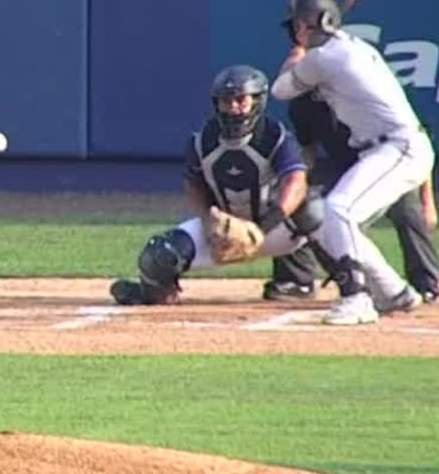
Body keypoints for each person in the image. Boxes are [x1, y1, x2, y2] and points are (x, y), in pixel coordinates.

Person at [270, 0, 431, 326]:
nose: (294, 31)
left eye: (297, 26)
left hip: (399, 147)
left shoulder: (325, 58)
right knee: (331, 220)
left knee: (337, 208)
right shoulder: (352, 47)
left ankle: (356, 297)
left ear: (305, 25)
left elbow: (280, 89)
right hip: (385, 149)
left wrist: (297, 56)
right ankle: (392, 290)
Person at [108, 65, 332, 306]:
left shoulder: (275, 136)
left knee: (314, 209)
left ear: (257, 101)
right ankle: (153, 295)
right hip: (224, 230)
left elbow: (296, 181)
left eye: (241, 100)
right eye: (227, 101)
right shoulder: (201, 141)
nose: (234, 108)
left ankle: (332, 282)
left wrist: (263, 227)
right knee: (160, 255)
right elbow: (193, 183)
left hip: (272, 228)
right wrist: (208, 220)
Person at [268, 91, 439, 303]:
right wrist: (296, 182)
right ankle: (308, 280)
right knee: (304, 205)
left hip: (388, 163)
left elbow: (415, 141)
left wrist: (428, 200)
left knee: (407, 211)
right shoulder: (303, 103)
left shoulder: (362, 86)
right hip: (343, 168)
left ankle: (424, 284)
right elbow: (308, 147)